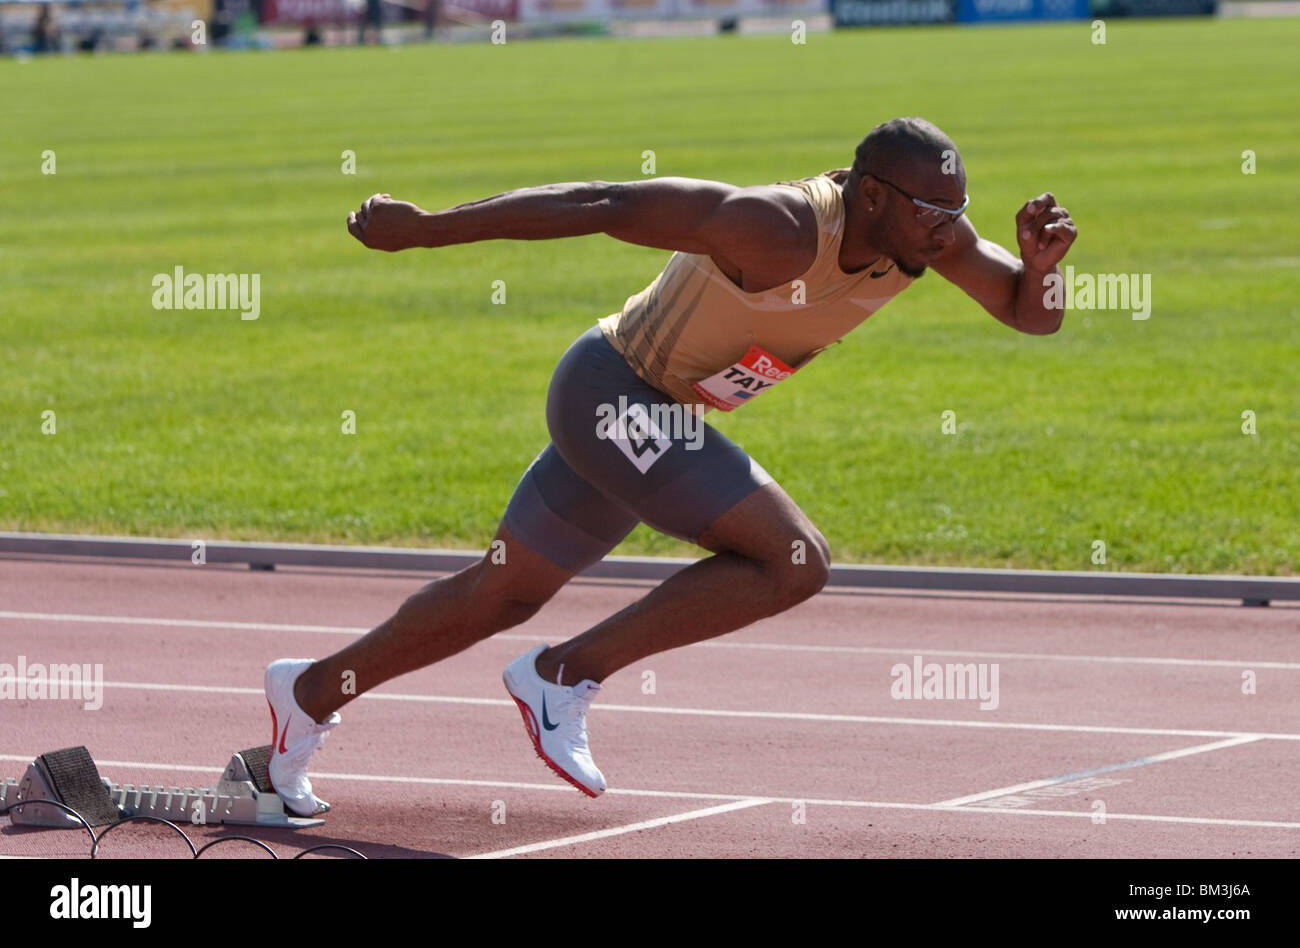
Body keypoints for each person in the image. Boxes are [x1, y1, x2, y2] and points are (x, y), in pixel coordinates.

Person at [263, 117, 1077, 815]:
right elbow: (604, 203)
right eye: (934, 210)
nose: (951, 228)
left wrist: (1041, 273)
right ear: (873, 196)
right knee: (794, 560)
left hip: (655, 417)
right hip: (610, 392)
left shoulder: (930, 244)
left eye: (958, 210)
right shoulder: (780, 228)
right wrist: (428, 228)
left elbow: (1025, 316)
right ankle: (561, 676)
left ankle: (306, 696)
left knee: (501, 593)